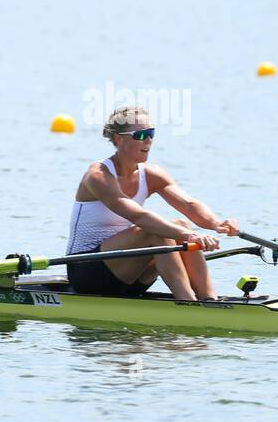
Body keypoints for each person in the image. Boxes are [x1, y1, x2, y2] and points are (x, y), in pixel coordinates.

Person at [66, 105, 238, 300]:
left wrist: (216, 224)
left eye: (151, 133)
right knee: (156, 231)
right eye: (140, 134)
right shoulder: (98, 176)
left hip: (129, 275)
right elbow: (137, 216)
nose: (148, 140)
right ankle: (187, 302)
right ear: (118, 139)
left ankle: (209, 300)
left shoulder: (151, 174)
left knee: (180, 224)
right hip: (86, 273)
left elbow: (189, 205)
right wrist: (191, 236)